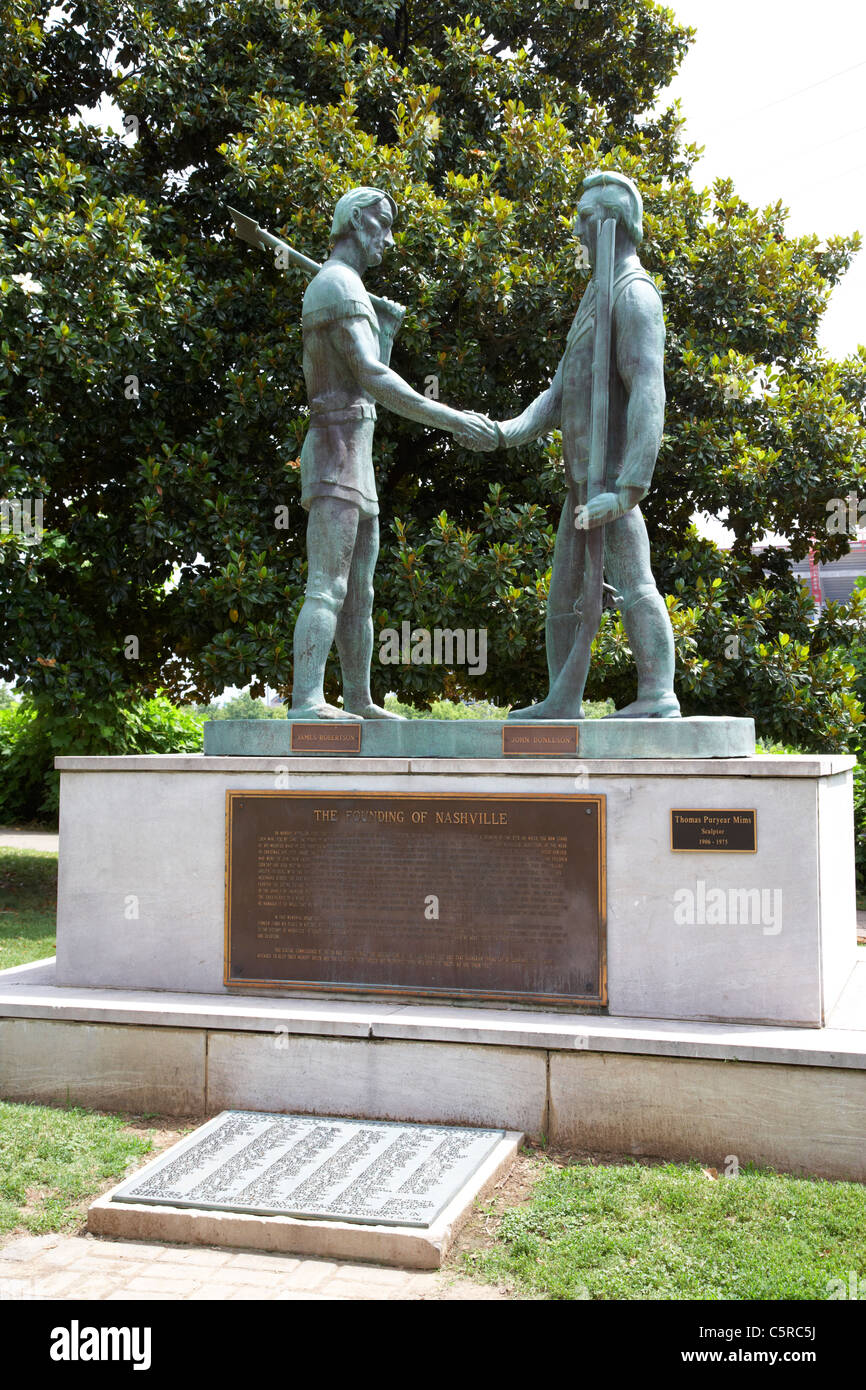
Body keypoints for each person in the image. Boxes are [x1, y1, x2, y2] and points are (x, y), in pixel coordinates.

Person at [291, 186, 497, 720]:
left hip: (355, 453)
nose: (389, 238)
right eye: (382, 224)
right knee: (328, 584)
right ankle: (307, 701)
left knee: (359, 592)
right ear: (356, 222)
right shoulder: (337, 284)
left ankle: (358, 698)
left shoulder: (349, 288)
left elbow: (364, 372)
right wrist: (451, 419)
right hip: (335, 449)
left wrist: (383, 328)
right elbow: (372, 377)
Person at [493, 170, 680, 720]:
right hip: (581, 479)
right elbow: (560, 392)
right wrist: (507, 431)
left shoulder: (633, 295)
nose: (575, 229)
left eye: (585, 217)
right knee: (564, 599)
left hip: (610, 480)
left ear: (612, 223)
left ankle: (657, 695)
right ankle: (562, 700)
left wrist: (628, 490)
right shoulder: (595, 296)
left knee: (632, 581)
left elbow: (649, 388)